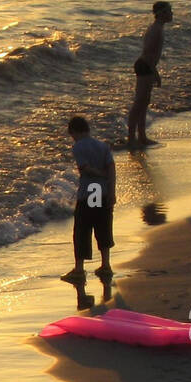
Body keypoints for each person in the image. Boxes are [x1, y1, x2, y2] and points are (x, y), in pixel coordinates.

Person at [62, 116, 116, 283]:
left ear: (74, 132)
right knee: (102, 226)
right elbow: (112, 168)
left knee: (82, 229)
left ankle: (79, 269)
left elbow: (85, 169)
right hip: (103, 190)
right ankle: (105, 264)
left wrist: (100, 174)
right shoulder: (102, 146)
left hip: (90, 191)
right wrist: (111, 190)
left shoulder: (79, 147)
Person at [127, 1, 174, 148]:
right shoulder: (155, 30)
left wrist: (155, 71)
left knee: (144, 102)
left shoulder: (159, 28)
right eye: (169, 11)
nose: (172, 14)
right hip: (144, 66)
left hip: (148, 66)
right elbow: (147, 53)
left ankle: (142, 136)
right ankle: (131, 138)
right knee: (139, 103)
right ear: (161, 14)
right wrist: (155, 72)